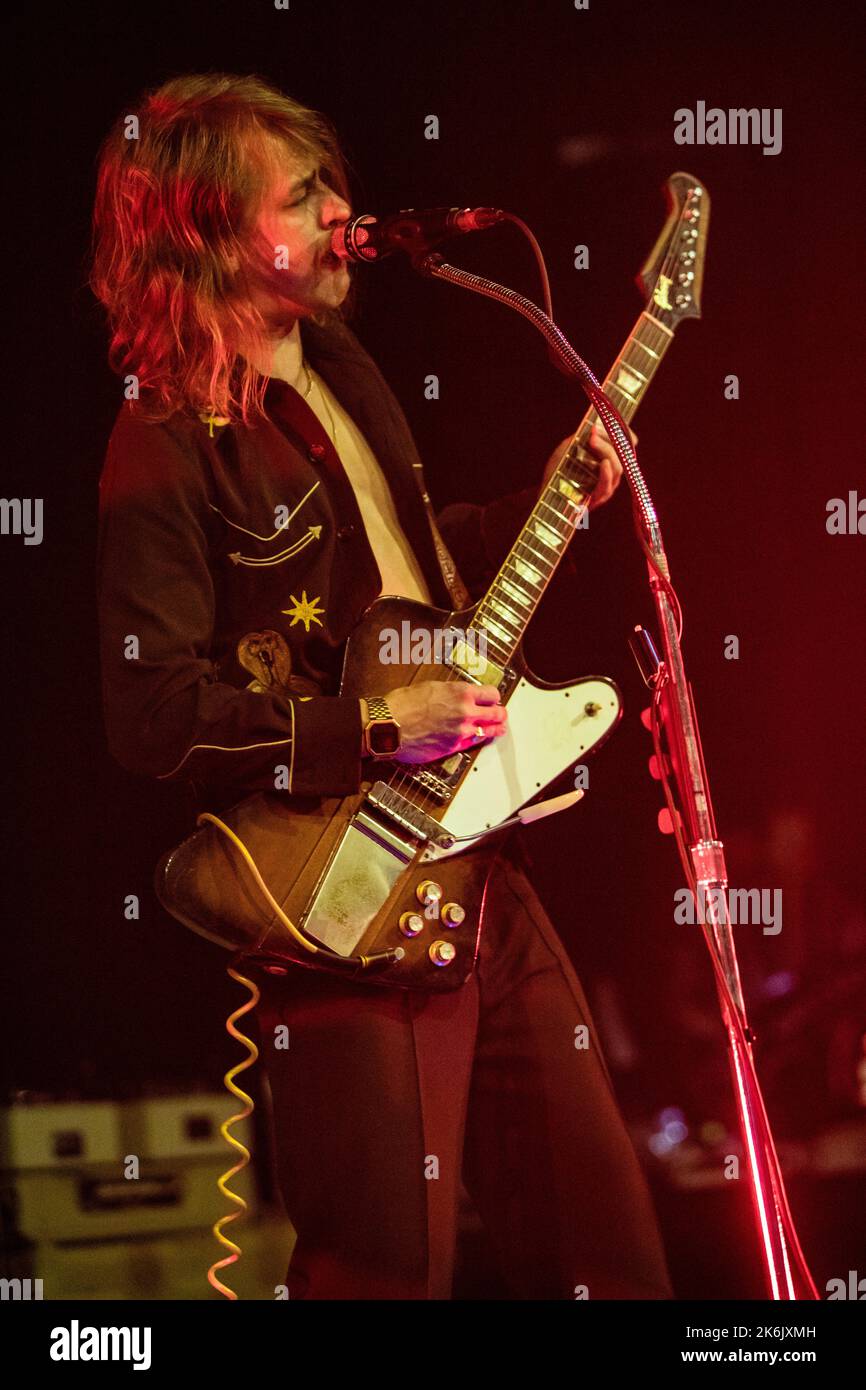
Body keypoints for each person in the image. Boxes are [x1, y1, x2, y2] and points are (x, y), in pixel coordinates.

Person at [92, 71, 673, 1299]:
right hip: (348, 908)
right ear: (204, 233)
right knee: (381, 1276)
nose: (345, 208)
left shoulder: (340, 362)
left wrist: (549, 493)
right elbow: (150, 719)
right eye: (302, 195)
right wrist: (364, 727)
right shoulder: (159, 443)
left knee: (607, 1255)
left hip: (484, 870)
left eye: (331, 181)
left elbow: (411, 570)